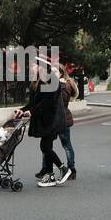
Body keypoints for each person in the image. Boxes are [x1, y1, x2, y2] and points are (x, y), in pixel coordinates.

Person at [19, 59, 70, 187]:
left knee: (45, 147)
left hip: (53, 120)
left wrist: (32, 112)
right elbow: (34, 103)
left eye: (32, 65)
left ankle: (64, 169)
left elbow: (47, 103)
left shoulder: (50, 80)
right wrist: (22, 110)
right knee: (47, 148)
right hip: (46, 121)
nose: (30, 68)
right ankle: (50, 175)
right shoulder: (38, 81)